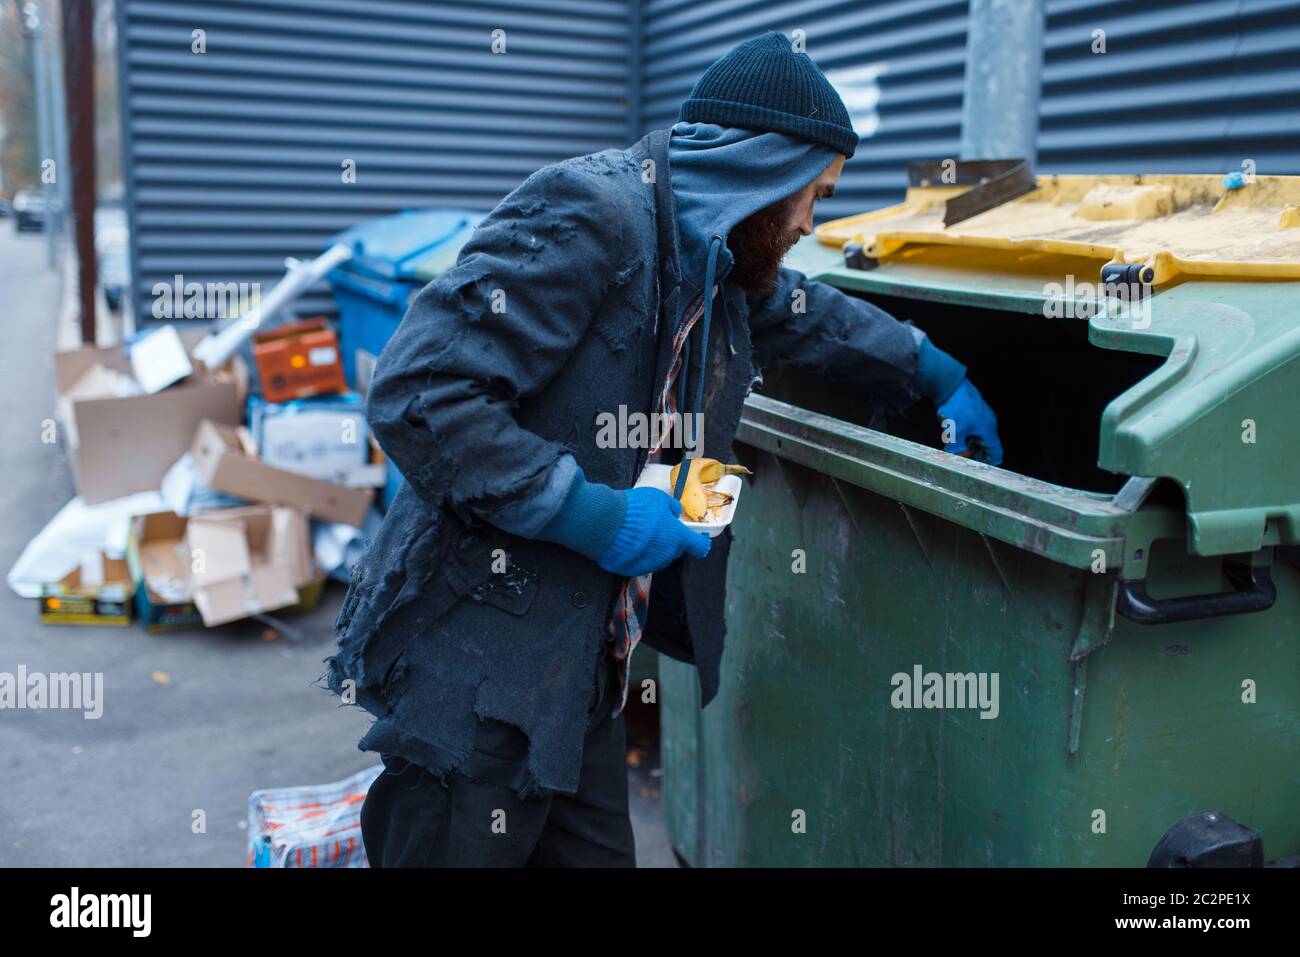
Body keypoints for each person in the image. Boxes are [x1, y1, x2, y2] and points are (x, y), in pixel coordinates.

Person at [325, 31, 1002, 867]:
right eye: (812, 194)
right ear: (761, 167)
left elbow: (802, 312)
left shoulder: (709, 259)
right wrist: (595, 517)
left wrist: (933, 369)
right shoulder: (590, 215)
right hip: (478, 674)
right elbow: (420, 394)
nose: (809, 222)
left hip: (581, 673)